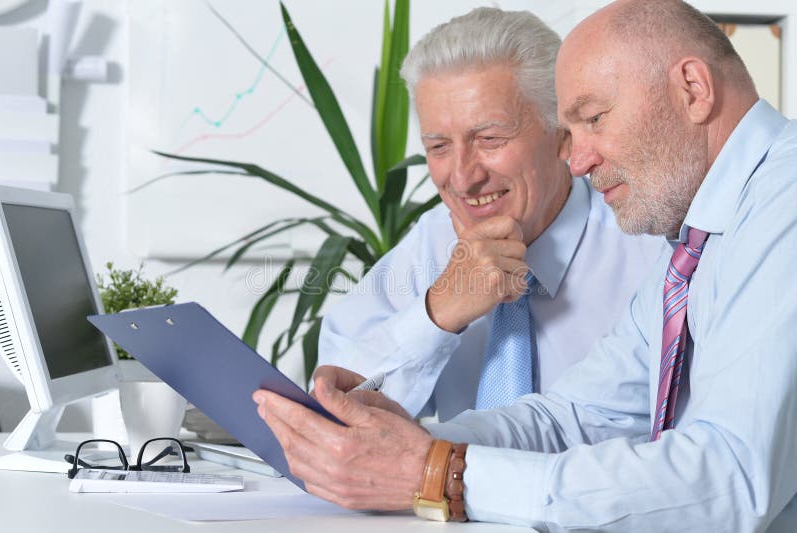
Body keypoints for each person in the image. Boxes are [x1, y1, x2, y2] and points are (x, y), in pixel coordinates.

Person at [253, 0, 797, 530]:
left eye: (594, 118)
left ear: (693, 90)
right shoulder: (701, 236)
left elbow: (731, 478)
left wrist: (440, 472)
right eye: (438, 145)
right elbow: (579, 415)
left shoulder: (782, 201)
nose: (580, 158)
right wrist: (417, 448)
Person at [317, 7, 666, 420]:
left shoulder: (654, 252)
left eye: (489, 138)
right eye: (439, 147)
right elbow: (327, 409)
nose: (463, 179)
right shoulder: (430, 242)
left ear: (563, 136)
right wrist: (436, 314)